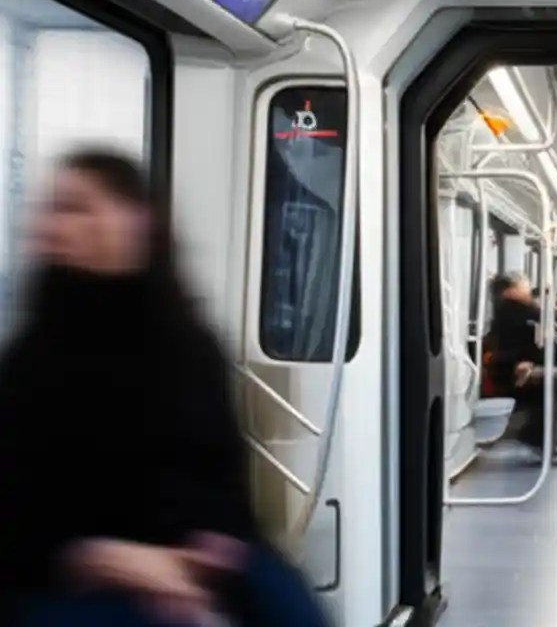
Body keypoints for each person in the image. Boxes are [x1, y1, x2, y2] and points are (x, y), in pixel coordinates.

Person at [0, 150, 330, 626]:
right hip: (76, 573)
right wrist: (117, 561)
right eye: (58, 209)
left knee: (287, 604)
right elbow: (21, 523)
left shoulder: (189, 345)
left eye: (81, 207)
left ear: (138, 222)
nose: (60, 225)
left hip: (192, 556)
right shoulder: (31, 362)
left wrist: (200, 555)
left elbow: (224, 486)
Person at [486, 273, 557, 461]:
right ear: (511, 291)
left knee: (551, 378)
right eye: (522, 286)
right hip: (511, 367)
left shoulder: (518, 311)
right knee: (548, 381)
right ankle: (538, 437)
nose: (527, 289)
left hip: (518, 363)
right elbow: (509, 347)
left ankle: (544, 436)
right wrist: (520, 363)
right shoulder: (514, 312)